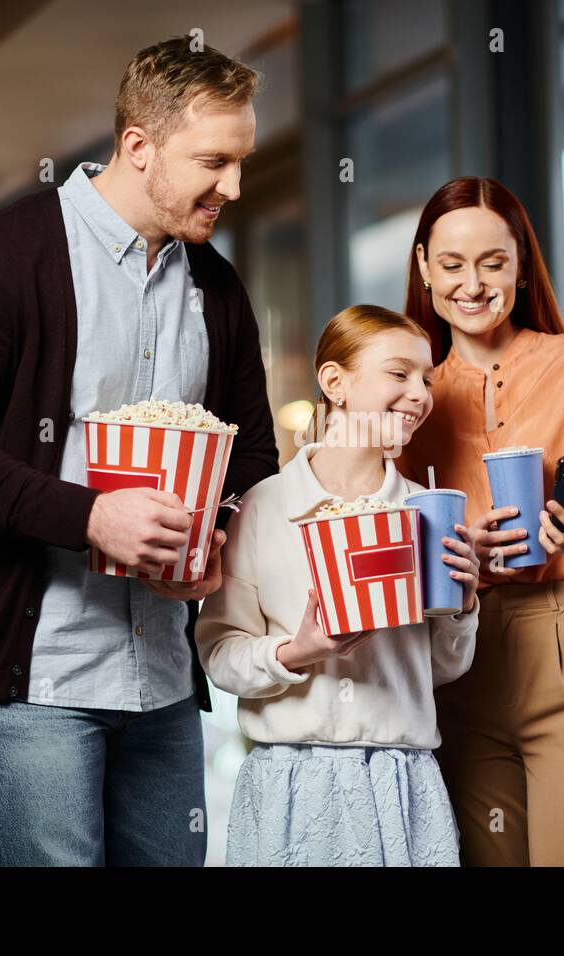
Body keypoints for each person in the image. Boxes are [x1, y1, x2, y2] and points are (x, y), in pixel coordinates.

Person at [0, 37, 278, 866]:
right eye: (215, 161)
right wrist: (91, 516)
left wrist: (225, 535)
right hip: (31, 681)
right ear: (138, 147)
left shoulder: (217, 286)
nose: (234, 188)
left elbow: (252, 458)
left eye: (242, 162)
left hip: (164, 681)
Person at [398, 176, 564, 866]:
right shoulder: (413, 400)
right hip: (459, 659)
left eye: (493, 262)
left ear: (520, 265)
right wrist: (459, 557)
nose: (472, 284)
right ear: (424, 268)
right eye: (451, 264)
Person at [195, 305, 482, 866]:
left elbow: (442, 670)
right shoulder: (263, 506)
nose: (419, 394)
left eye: (426, 379)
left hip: (403, 783)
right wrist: (296, 652)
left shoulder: (426, 513)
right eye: (399, 374)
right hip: (287, 782)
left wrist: (461, 607)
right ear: (334, 383)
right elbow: (219, 655)